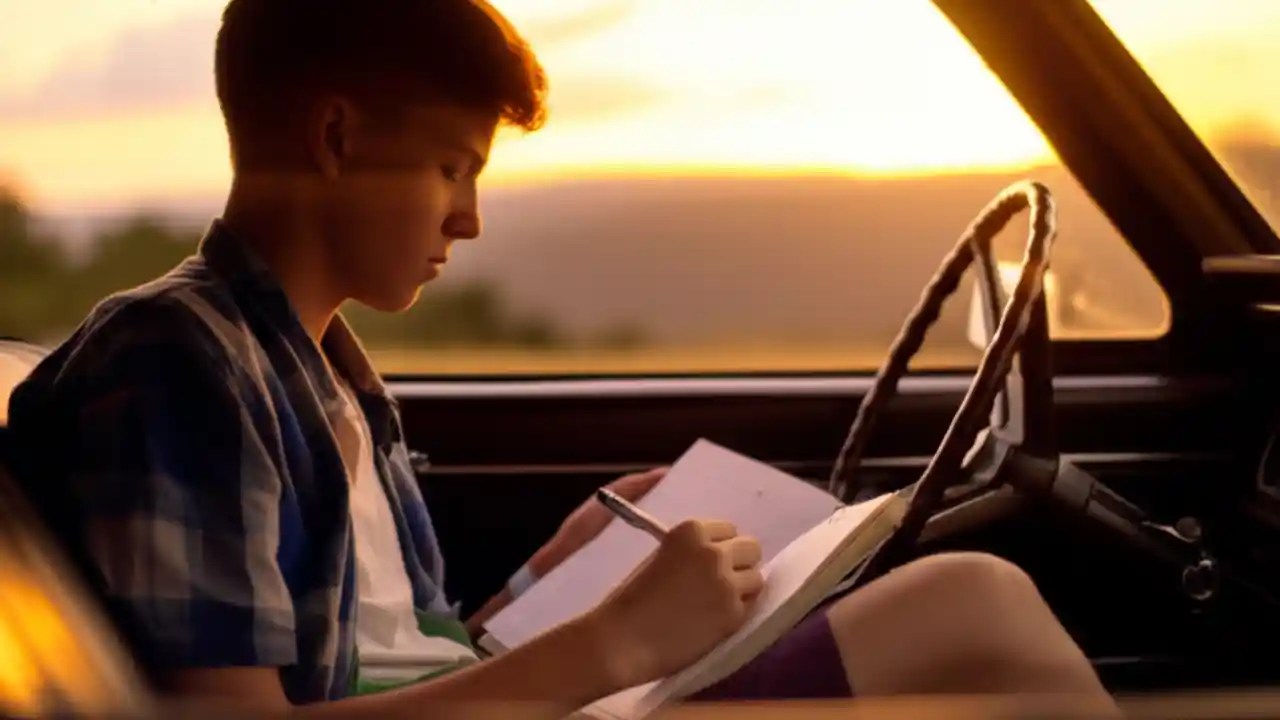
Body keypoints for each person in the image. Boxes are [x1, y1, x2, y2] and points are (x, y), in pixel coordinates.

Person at [6, 1, 1117, 718]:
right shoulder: (180, 370)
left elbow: (401, 658)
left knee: (974, 622)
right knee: (976, 615)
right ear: (336, 140)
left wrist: (555, 577)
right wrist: (610, 641)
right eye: (451, 168)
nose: (469, 219)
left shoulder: (327, 374)